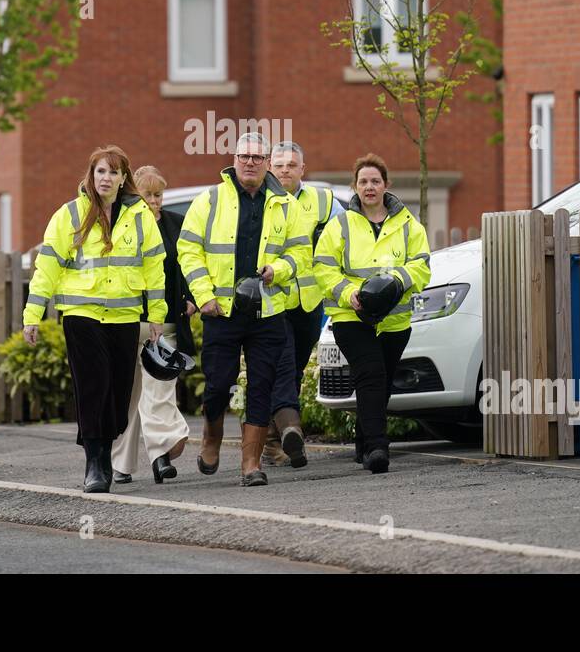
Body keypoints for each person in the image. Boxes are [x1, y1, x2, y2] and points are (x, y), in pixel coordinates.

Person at [22, 146, 166, 494]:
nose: (106, 178)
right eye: (100, 171)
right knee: (93, 386)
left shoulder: (140, 216)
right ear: (91, 175)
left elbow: (154, 266)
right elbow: (47, 268)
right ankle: (95, 463)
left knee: (117, 393)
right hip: (81, 315)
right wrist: (33, 315)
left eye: (113, 172)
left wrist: (157, 314)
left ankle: (106, 444)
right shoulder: (69, 215)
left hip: (124, 315)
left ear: (123, 178)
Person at [176, 132, 313, 486]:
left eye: (257, 157)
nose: (250, 162)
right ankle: (211, 438)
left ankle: (251, 464)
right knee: (218, 386)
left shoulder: (286, 205)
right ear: (233, 160)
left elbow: (301, 254)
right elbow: (188, 250)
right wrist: (204, 295)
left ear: (267, 162)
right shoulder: (210, 200)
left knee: (261, 387)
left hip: (268, 311)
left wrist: (277, 271)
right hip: (220, 311)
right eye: (244, 156)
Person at [314, 153, 430, 474]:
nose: (369, 187)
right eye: (363, 181)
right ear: (355, 186)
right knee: (371, 375)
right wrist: (347, 292)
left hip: (395, 320)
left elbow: (422, 266)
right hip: (352, 317)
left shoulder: (408, 224)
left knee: (383, 381)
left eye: (375, 181)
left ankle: (363, 439)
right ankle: (378, 448)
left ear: (386, 185)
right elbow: (322, 266)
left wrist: (396, 284)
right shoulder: (340, 225)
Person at [110, 165, 194, 485]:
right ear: (135, 196)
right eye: (148, 195)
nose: (155, 201)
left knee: (159, 390)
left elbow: (188, 265)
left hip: (167, 322)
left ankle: (160, 456)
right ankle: (121, 463)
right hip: (128, 320)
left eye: (159, 194)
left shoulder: (177, 224)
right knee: (129, 395)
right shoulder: (125, 228)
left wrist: (191, 297)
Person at [263, 140, 341, 466]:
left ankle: (271, 442)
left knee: (292, 369)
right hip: (273, 300)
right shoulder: (260, 201)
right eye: (279, 164)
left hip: (309, 302)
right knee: (281, 365)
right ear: (270, 167)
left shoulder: (323, 201)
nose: (284, 170)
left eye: (291, 165)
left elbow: (344, 236)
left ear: (302, 169)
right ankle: (291, 429)